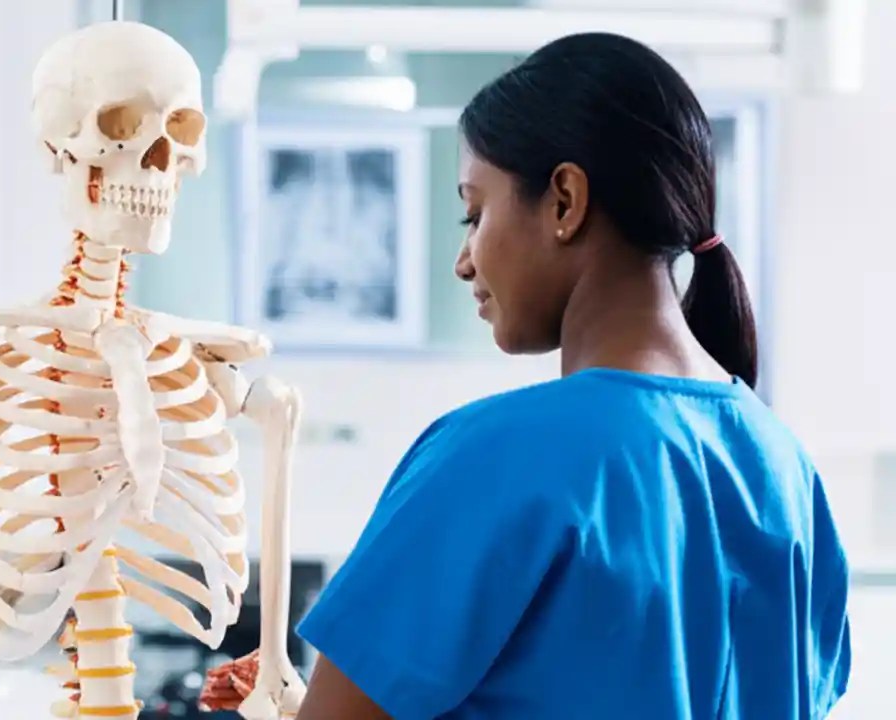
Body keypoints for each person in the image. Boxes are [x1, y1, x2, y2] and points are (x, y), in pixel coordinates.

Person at [201, 32, 852, 719]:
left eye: (474, 213)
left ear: (565, 201)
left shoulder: (496, 455)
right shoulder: (782, 465)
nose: (464, 259)